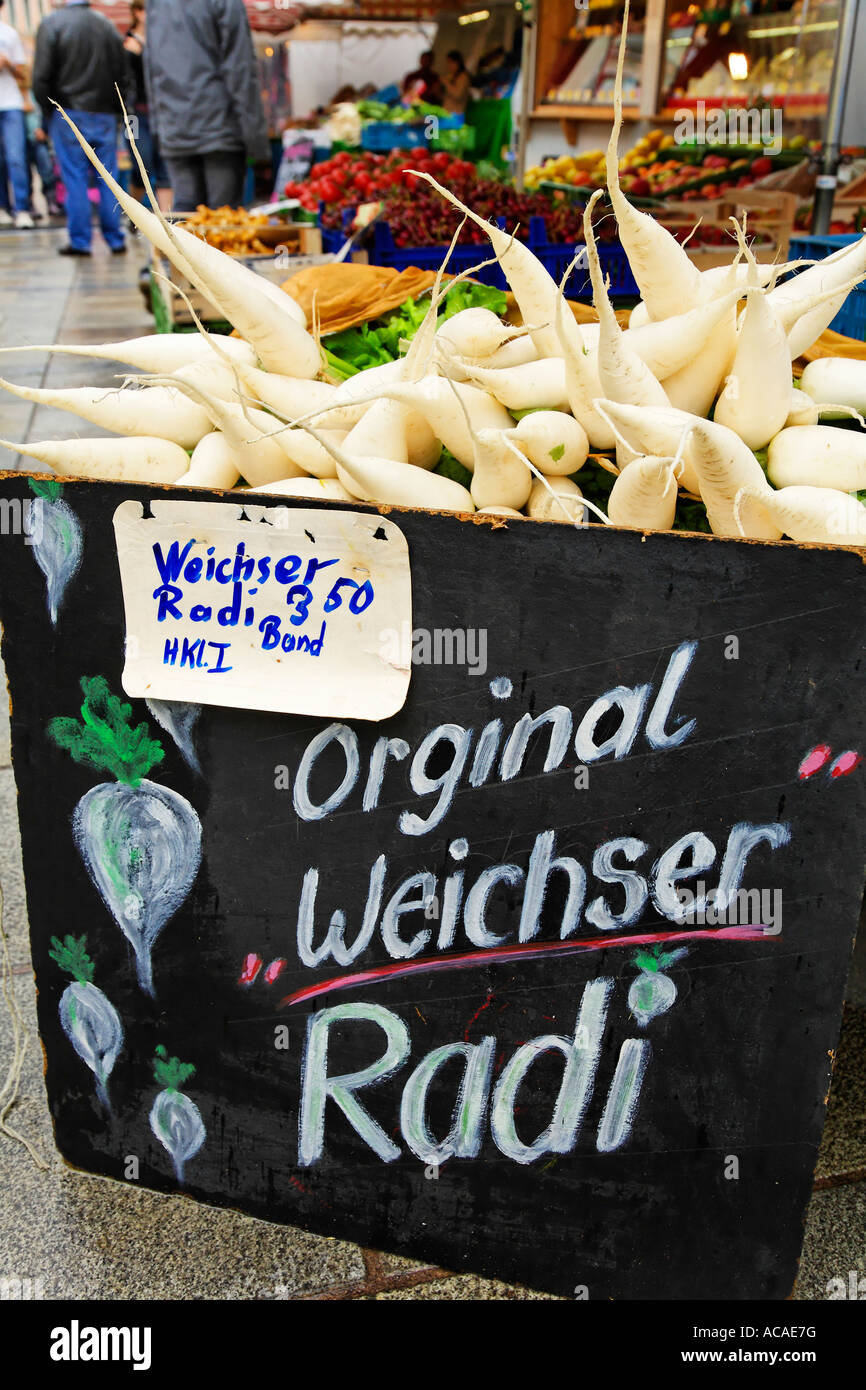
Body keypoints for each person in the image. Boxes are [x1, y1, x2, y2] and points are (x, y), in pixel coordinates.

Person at [145, 0, 269, 212]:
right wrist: (258, 146)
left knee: (185, 220)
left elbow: (152, 65)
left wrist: (158, 127)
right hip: (219, 129)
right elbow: (240, 70)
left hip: (175, 128)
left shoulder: (156, 4)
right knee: (223, 222)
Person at [33, 0, 130, 256]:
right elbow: (123, 74)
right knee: (109, 178)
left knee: (74, 178)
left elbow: (41, 76)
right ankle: (115, 238)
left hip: (68, 112)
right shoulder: (107, 25)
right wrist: (120, 112)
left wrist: (46, 112)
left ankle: (81, 241)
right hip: (104, 113)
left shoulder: (53, 23)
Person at [123, 1, 170, 209]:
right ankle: (135, 213)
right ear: (137, 12)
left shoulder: (160, 41)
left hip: (160, 113)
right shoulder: (127, 43)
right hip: (134, 115)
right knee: (141, 164)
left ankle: (169, 221)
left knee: (165, 166)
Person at [0, 0, 33, 229]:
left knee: (16, 157)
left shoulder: (9, 34)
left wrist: (8, 63)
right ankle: (2, 207)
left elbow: (23, 74)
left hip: (10, 103)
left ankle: (22, 208)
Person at [442, 50, 471, 116]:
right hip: (446, 113)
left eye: (451, 62)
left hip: (456, 116)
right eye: (448, 62)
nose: (449, 65)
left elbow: (458, 95)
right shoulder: (450, 76)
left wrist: (446, 83)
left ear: (458, 62)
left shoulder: (463, 77)